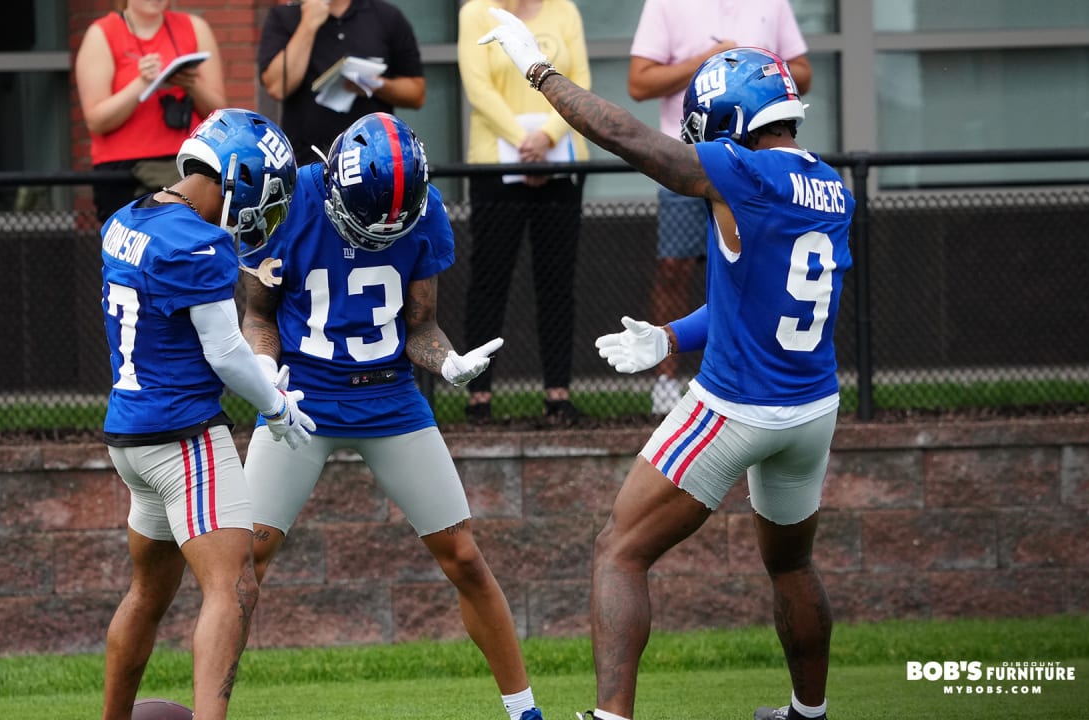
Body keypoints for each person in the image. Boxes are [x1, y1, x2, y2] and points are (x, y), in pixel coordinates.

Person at [480, 11, 853, 720]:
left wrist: (539, 71)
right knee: (792, 563)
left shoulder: (740, 171)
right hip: (812, 409)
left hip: (739, 405)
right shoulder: (832, 186)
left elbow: (626, 136)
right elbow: (756, 301)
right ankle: (810, 714)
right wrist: (669, 339)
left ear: (734, 116)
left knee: (619, 550)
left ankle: (611, 717)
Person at [238, 112, 544, 720]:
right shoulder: (291, 195)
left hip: (390, 397)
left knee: (463, 556)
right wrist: (265, 373)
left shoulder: (423, 207)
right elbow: (258, 316)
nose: (380, 236)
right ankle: (208, 709)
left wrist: (447, 363)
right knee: (244, 562)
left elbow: (420, 326)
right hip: (303, 399)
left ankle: (524, 711)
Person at [98, 108, 315, 720]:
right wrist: (274, 404)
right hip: (183, 438)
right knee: (234, 587)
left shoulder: (125, 220)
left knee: (147, 593)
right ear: (242, 177)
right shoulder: (200, 242)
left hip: (131, 438)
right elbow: (223, 350)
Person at [627, 0, 812, 415]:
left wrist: (752, 70)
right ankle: (666, 378)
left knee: (762, 270)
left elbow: (802, 74)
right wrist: (708, 64)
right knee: (674, 267)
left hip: (759, 164)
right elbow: (639, 82)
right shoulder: (665, 4)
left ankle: (761, 366)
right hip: (689, 160)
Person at [457, 0, 590, 425]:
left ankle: (558, 395)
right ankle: (478, 397)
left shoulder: (564, 11)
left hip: (560, 160)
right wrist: (524, 145)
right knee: (489, 281)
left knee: (557, 283)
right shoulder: (475, 13)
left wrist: (548, 137)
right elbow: (478, 89)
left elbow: (579, 80)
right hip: (497, 167)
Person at [75, 0, 227, 224]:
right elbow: (97, 121)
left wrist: (191, 85)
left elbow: (217, 112)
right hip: (124, 173)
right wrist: (142, 83)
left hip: (185, 163)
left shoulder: (194, 27)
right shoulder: (102, 33)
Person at [257, 0, 425, 162]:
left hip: (372, 161)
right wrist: (308, 24)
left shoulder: (386, 16)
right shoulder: (285, 16)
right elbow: (277, 87)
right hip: (307, 163)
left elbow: (416, 94)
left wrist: (376, 85)